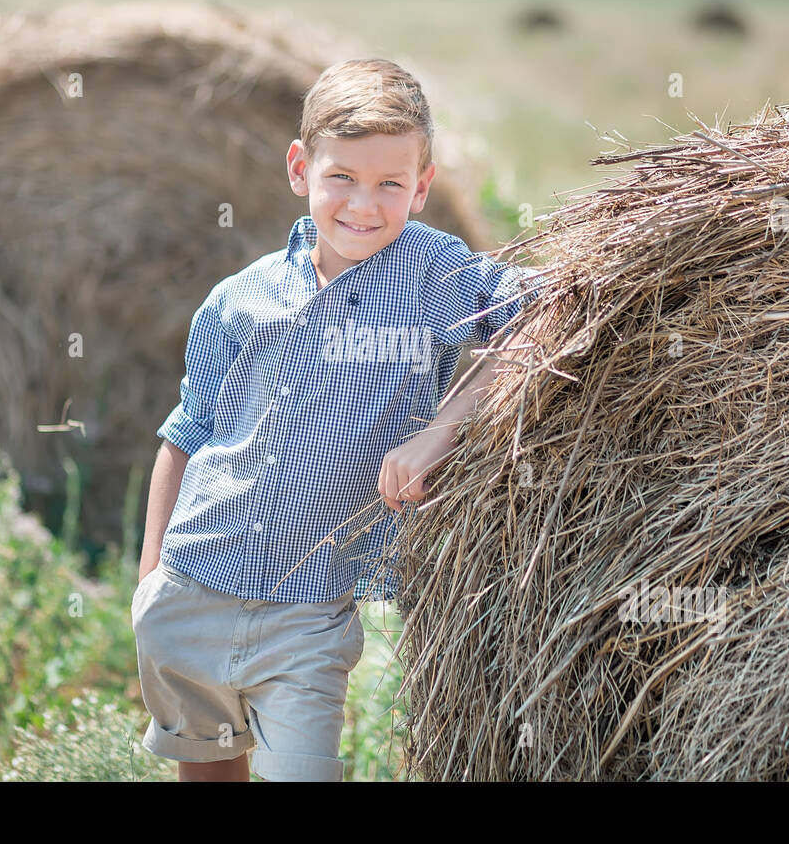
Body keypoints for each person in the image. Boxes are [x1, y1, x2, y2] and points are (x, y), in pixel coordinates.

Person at [132, 57, 543, 781]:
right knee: (210, 773)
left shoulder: (432, 274)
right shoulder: (240, 299)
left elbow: (548, 315)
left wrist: (441, 428)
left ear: (423, 187)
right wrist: (149, 583)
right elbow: (187, 432)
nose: (364, 203)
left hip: (310, 615)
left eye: (391, 183)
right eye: (342, 178)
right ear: (301, 169)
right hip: (191, 590)